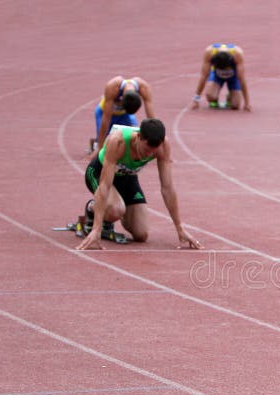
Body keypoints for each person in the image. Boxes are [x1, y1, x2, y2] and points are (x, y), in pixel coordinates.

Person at [76, 118, 203, 251]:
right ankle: (92, 209)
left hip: (127, 177)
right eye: (146, 149)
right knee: (116, 210)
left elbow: (167, 188)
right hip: (98, 173)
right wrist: (96, 229)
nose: (148, 154)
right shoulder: (118, 141)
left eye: (153, 152)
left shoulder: (163, 146)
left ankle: (112, 206)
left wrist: (180, 228)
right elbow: (104, 186)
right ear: (138, 137)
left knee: (141, 234)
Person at [91, 76, 155, 156]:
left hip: (124, 116)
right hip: (103, 113)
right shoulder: (112, 87)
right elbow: (106, 118)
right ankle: (96, 142)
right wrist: (99, 148)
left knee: (134, 137)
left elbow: (152, 120)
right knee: (106, 145)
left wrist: (157, 144)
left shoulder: (144, 88)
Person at [190, 43, 251, 111]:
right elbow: (204, 76)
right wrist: (196, 99)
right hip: (216, 76)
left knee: (235, 105)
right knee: (210, 96)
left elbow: (242, 79)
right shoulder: (209, 52)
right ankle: (214, 99)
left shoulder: (237, 54)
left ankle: (230, 96)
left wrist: (247, 103)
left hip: (233, 77)